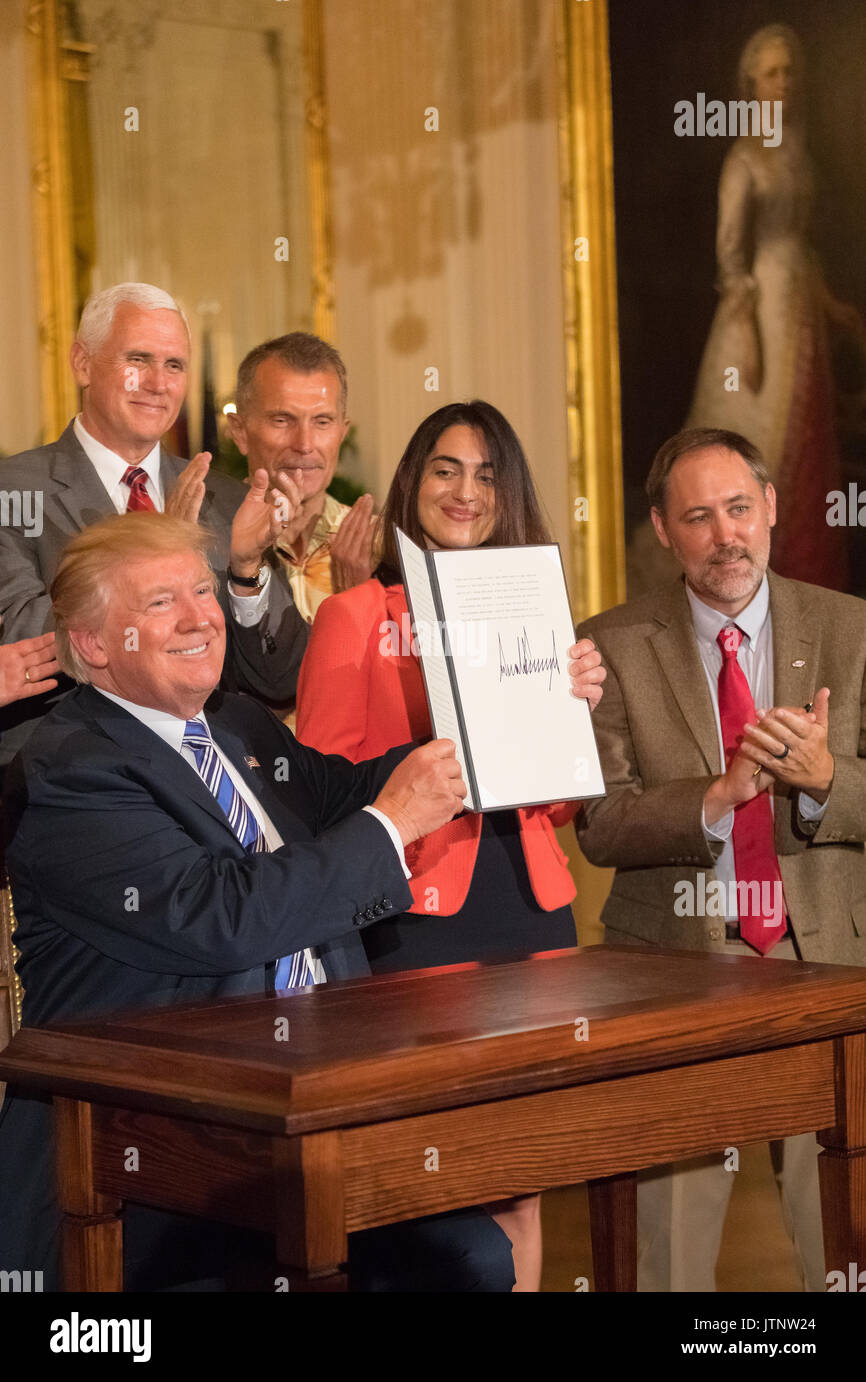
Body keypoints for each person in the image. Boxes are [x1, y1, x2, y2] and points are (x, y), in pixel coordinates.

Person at [0, 512, 516, 1292]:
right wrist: (395, 822)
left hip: (303, 1111)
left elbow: (347, 793)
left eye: (203, 592)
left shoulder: (237, 722)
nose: (201, 616)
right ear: (96, 644)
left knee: (475, 1257)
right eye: (162, 602)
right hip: (148, 1149)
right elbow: (221, 917)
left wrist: (513, 705)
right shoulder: (72, 769)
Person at [295, 400, 606, 1290]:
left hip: (534, 908)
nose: (465, 491)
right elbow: (322, 793)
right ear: (412, 482)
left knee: (522, 1178)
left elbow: (562, 805)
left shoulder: (542, 617)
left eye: (487, 474)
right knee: (437, 1173)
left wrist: (572, 711)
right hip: (418, 919)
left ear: (509, 496)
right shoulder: (356, 616)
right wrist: (432, 747)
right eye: (444, 469)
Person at [576, 426, 866, 1292]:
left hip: (831, 967)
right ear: (663, 530)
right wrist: (718, 794)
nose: (724, 535)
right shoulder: (610, 645)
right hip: (676, 970)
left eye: (739, 509)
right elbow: (599, 821)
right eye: (697, 517)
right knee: (669, 1249)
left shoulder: (851, 629)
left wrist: (822, 782)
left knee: (843, 1236)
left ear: (772, 508)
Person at [0, 283, 311, 765]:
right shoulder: (13, 491)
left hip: (215, 780)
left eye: (174, 365)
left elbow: (279, 677)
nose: (158, 384)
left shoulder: (224, 498)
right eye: (138, 360)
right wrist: (152, 554)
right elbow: (21, 641)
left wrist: (247, 571)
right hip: (69, 774)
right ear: (83, 364)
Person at [686, 24, 865, 592]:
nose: (782, 82)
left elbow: (800, 245)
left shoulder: (796, 151)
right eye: (770, 73)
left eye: (789, 71)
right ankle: (751, 578)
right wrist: (750, 339)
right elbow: (731, 256)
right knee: (761, 439)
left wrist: (831, 305)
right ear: (751, 84)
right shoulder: (745, 158)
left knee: (810, 439)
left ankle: (808, 579)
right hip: (760, 311)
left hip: (799, 308)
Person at [228, 332, 377, 628]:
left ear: (341, 433)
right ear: (240, 432)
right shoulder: (205, 543)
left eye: (322, 422)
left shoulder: (379, 547)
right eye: (282, 420)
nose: (305, 444)